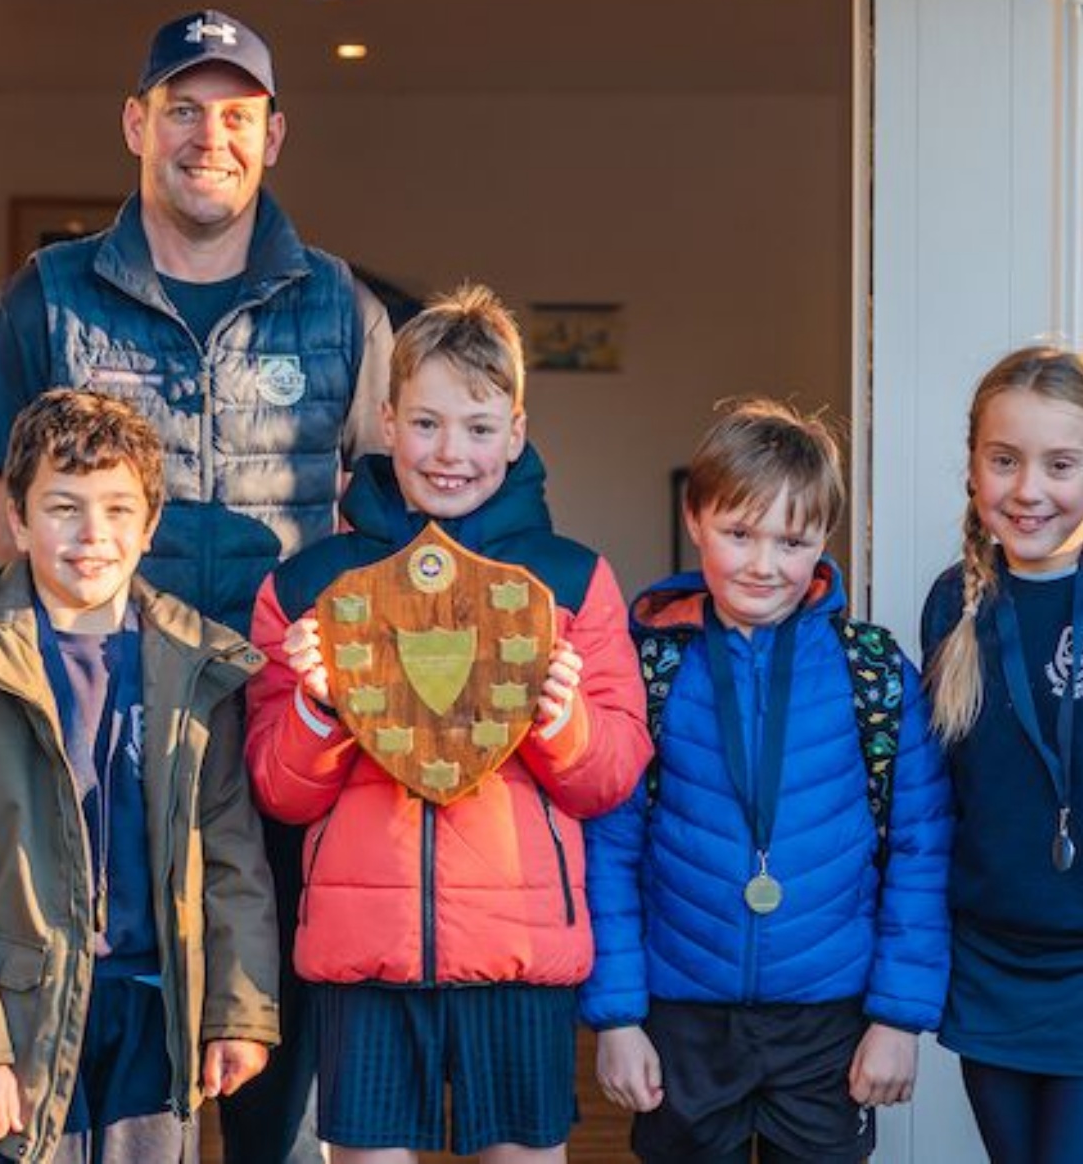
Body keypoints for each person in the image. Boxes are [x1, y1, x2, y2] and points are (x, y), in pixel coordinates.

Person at [0, 9, 392, 1162]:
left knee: (275, 1096)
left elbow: (390, 521)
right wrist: (70, 659)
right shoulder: (46, 297)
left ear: (275, 134)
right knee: (102, 1088)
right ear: (136, 124)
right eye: (183, 110)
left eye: (236, 114)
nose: (211, 137)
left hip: (285, 743)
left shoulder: (342, 308)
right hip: (102, 740)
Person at [243, 283, 653, 1162]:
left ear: (516, 431)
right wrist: (319, 708)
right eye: (425, 423)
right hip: (364, 963)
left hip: (520, 958)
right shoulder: (309, 588)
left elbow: (612, 773)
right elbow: (277, 790)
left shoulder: (572, 582)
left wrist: (562, 721)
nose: (450, 453)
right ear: (386, 424)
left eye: (476, 426)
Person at [0, 388, 280, 1163]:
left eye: (117, 510)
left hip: (151, 1024)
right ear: (19, 520)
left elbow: (232, 854)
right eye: (64, 507)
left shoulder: (197, 667)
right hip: (8, 1027)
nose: (92, 535)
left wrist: (237, 1010)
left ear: (149, 525)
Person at [580, 399, 953, 1164]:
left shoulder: (872, 672)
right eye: (739, 533)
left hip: (830, 1019)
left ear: (824, 539)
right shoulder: (649, 668)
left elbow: (921, 848)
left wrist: (897, 1018)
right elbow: (609, 852)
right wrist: (617, 1018)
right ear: (695, 518)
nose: (762, 564)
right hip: (682, 1011)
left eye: (792, 541)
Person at [922, 346, 1083, 1163]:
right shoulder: (954, 601)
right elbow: (940, 797)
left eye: (1061, 464)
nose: (1029, 490)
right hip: (988, 964)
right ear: (974, 466)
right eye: (1005, 460)